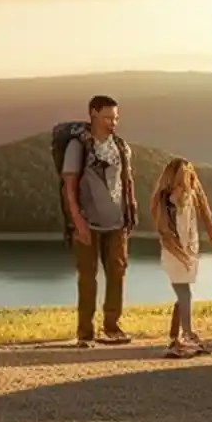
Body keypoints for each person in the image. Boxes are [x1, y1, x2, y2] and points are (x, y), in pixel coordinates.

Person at [61, 95, 138, 347]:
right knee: (87, 277)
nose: (113, 122)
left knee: (117, 273)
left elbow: (127, 182)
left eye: (116, 117)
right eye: (107, 117)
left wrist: (129, 212)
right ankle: (85, 333)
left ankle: (112, 327)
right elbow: (69, 187)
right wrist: (77, 222)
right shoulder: (78, 146)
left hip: (117, 223)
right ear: (93, 114)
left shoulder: (121, 146)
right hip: (87, 223)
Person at [152, 157, 212, 358]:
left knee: (182, 295)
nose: (184, 182)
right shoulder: (165, 200)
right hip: (174, 253)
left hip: (190, 252)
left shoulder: (193, 194)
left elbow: (205, 214)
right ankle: (187, 335)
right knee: (185, 294)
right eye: (180, 177)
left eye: (187, 176)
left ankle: (176, 336)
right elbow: (165, 232)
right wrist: (180, 254)